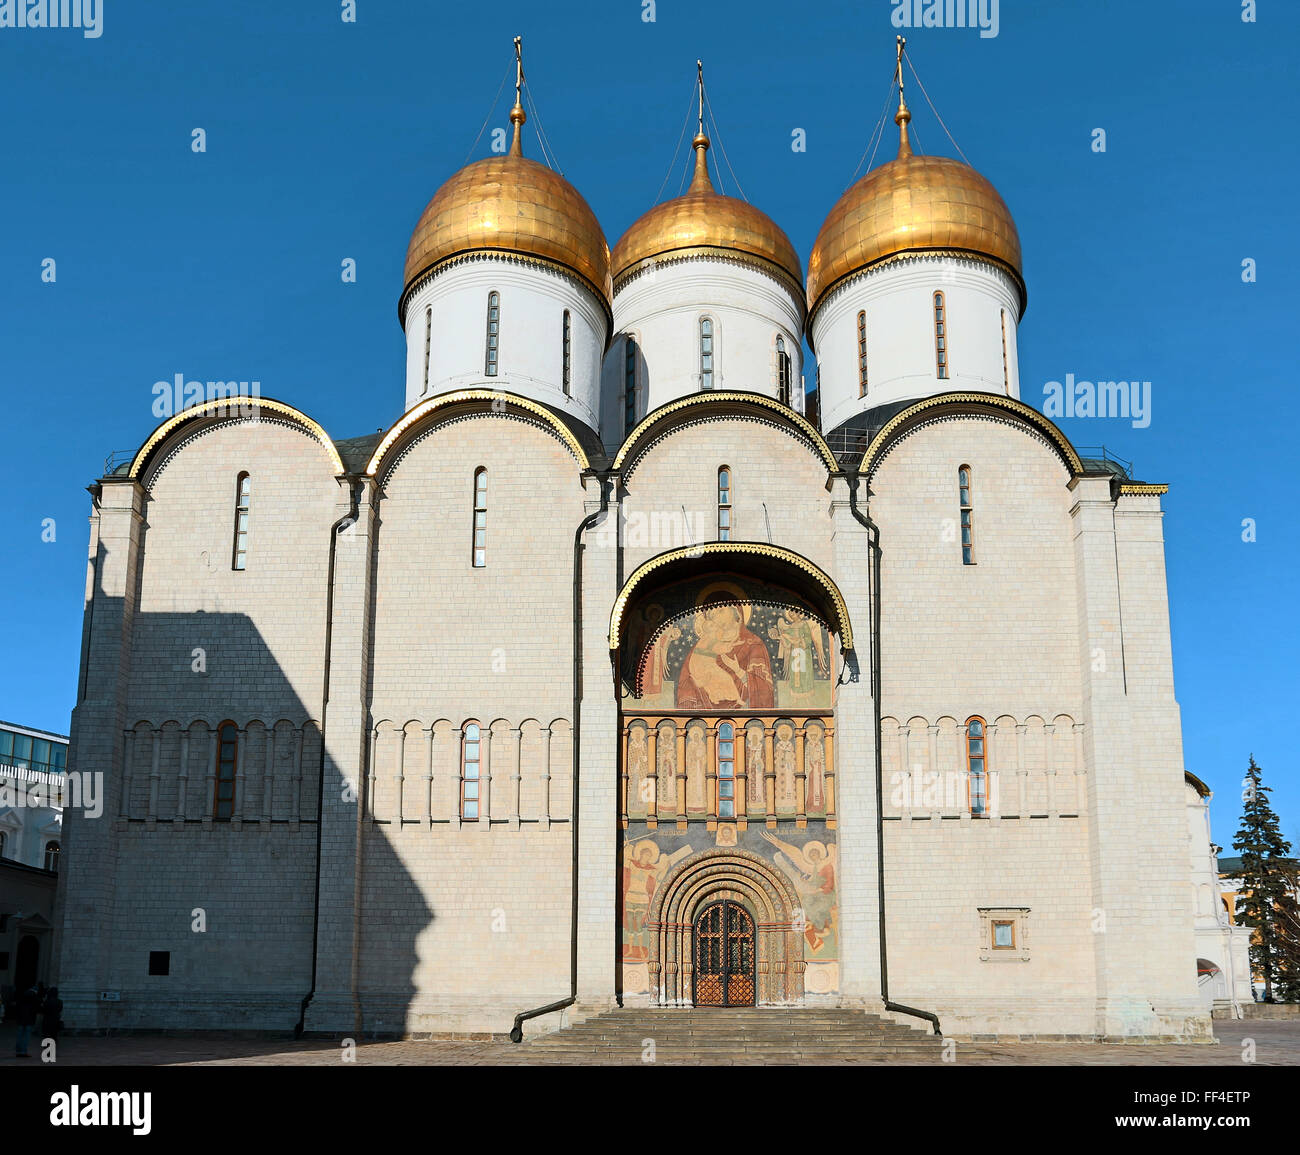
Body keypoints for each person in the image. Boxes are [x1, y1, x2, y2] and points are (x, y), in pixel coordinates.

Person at [13, 983, 39, 1057]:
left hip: (21, 1019)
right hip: (29, 1020)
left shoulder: (22, 996)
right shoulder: (34, 997)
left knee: (20, 1035)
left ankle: (18, 1051)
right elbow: (36, 1009)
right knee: (26, 1036)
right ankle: (23, 1051)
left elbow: (17, 1008)